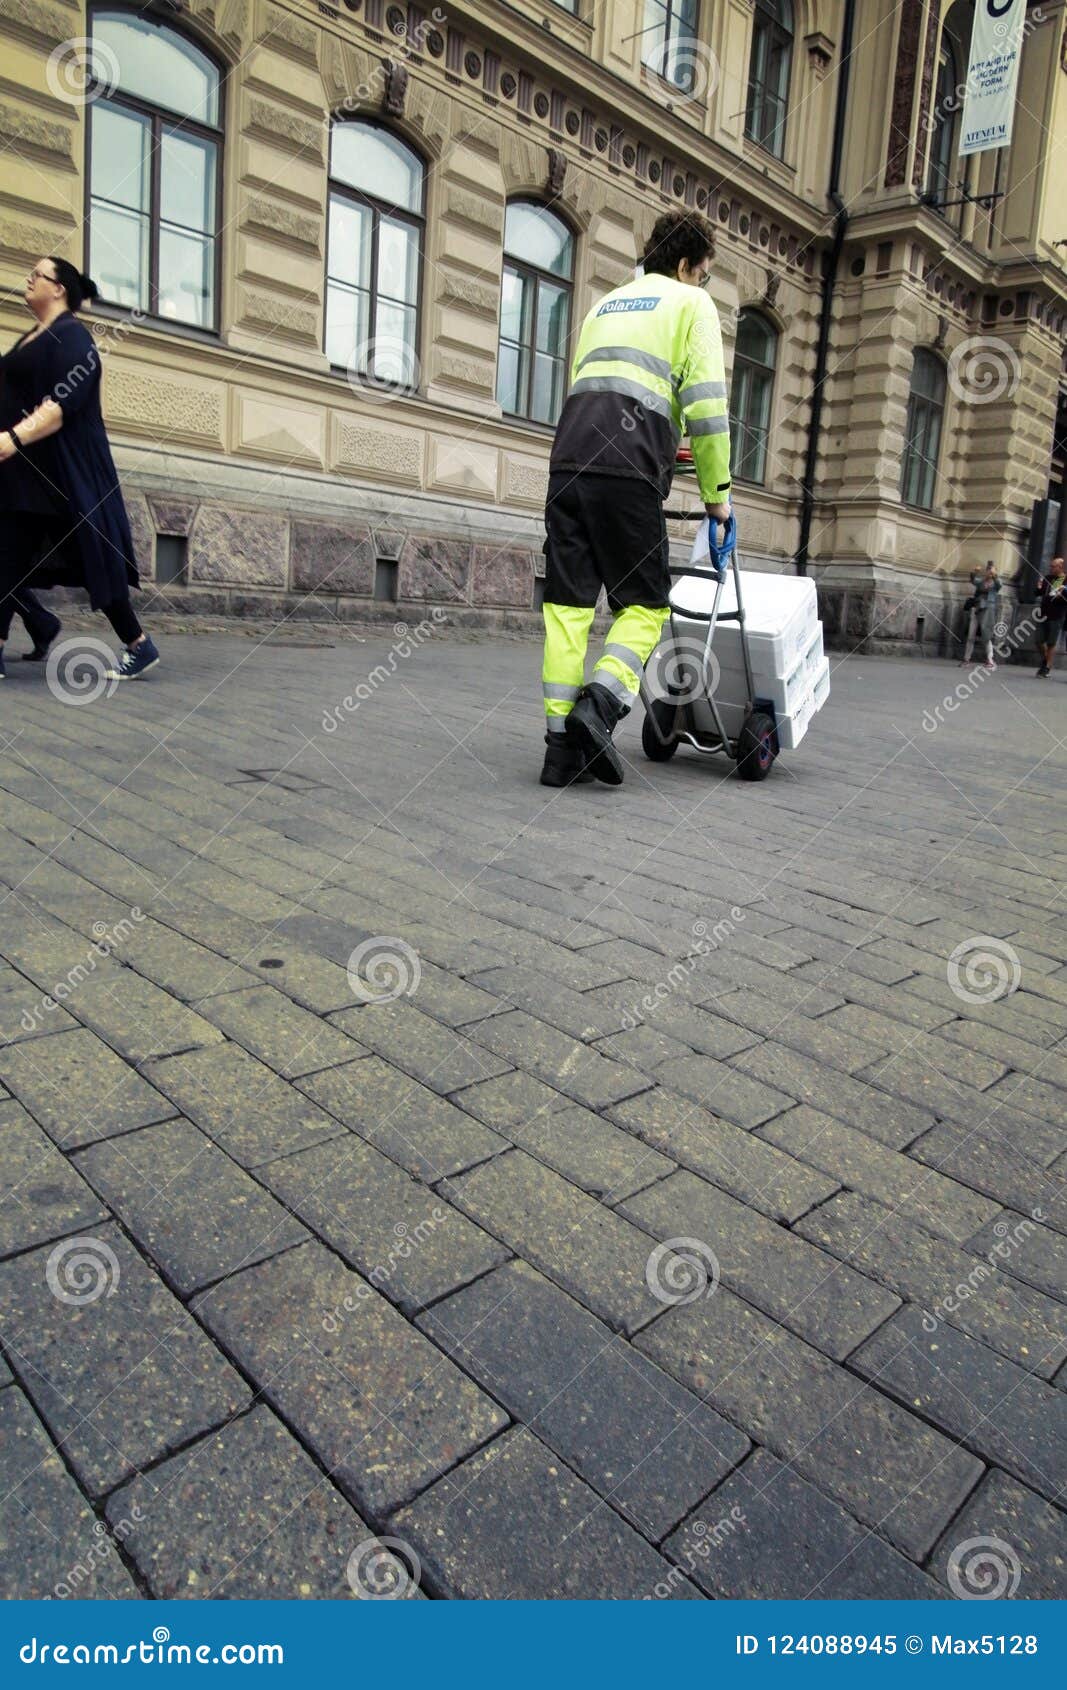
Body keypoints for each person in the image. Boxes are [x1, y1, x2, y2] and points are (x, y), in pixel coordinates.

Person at [538, 208, 732, 787]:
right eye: (703, 272)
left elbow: (600, 390)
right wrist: (717, 500)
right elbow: (706, 409)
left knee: (568, 609)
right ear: (684, 265)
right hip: (627, 475)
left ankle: (558, 752)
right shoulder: (690, 304)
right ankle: (598, 706)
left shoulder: (604, 304)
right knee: (645, 605)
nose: (702, 283)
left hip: (569, 461)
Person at [0, 256, 158, 682]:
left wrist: (11, 439)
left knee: (94, 558)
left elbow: (59, 407)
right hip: (29, 473)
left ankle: (138, 644)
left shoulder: (72, 339)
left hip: (64, 473)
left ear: (59, 289)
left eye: (38, 275)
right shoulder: (36, 335)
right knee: (9, 554)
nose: (29, 280)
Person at [960, 561, 1000, 670]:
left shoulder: (996, 583)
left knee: (986, 636)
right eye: (988, 570)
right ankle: (966, 659)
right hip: (977, 609)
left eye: (991, 570)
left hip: (988, 611)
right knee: (971, 635)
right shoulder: (981, 581)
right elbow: (973, 580)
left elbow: (999, 585)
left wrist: (995, 576)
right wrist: (975, 572)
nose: (989, 572)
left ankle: (990, 660)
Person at [1036, 556, 1066, 678]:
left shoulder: (1065, 580)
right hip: (1043, 613)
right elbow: (1039, 593)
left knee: (1051, 643)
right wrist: (1038, 587)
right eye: (1051, 566)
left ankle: (1047, 667)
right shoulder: (1048, 578)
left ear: (1060, 567)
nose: (1051, 568)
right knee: (1038, 641)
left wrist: (1062, 596)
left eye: (1053, 566)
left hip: (1057, 614)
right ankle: (1045, 660)